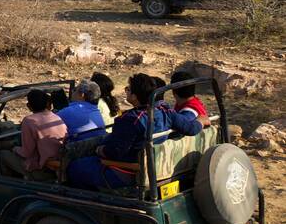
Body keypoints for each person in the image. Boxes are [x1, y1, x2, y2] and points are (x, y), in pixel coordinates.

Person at [67, 73, 203, 191]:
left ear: (135, 97)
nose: (126, 91)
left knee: (73, 168)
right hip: (152, 168)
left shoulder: (130, 120)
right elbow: (192, 128)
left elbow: (114, 152)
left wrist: (100, 150)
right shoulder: (165, 111)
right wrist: (201, 121)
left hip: (125, 171)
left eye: (129, 89)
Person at [0, 89, 66, 180]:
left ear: (29, 106)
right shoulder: (56, 117)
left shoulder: (29, 121)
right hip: (60, 166)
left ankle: (11, 186)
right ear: (48, 104)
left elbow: (26, 153)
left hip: (43, 170)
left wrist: (14, 149)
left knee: (3, 154)